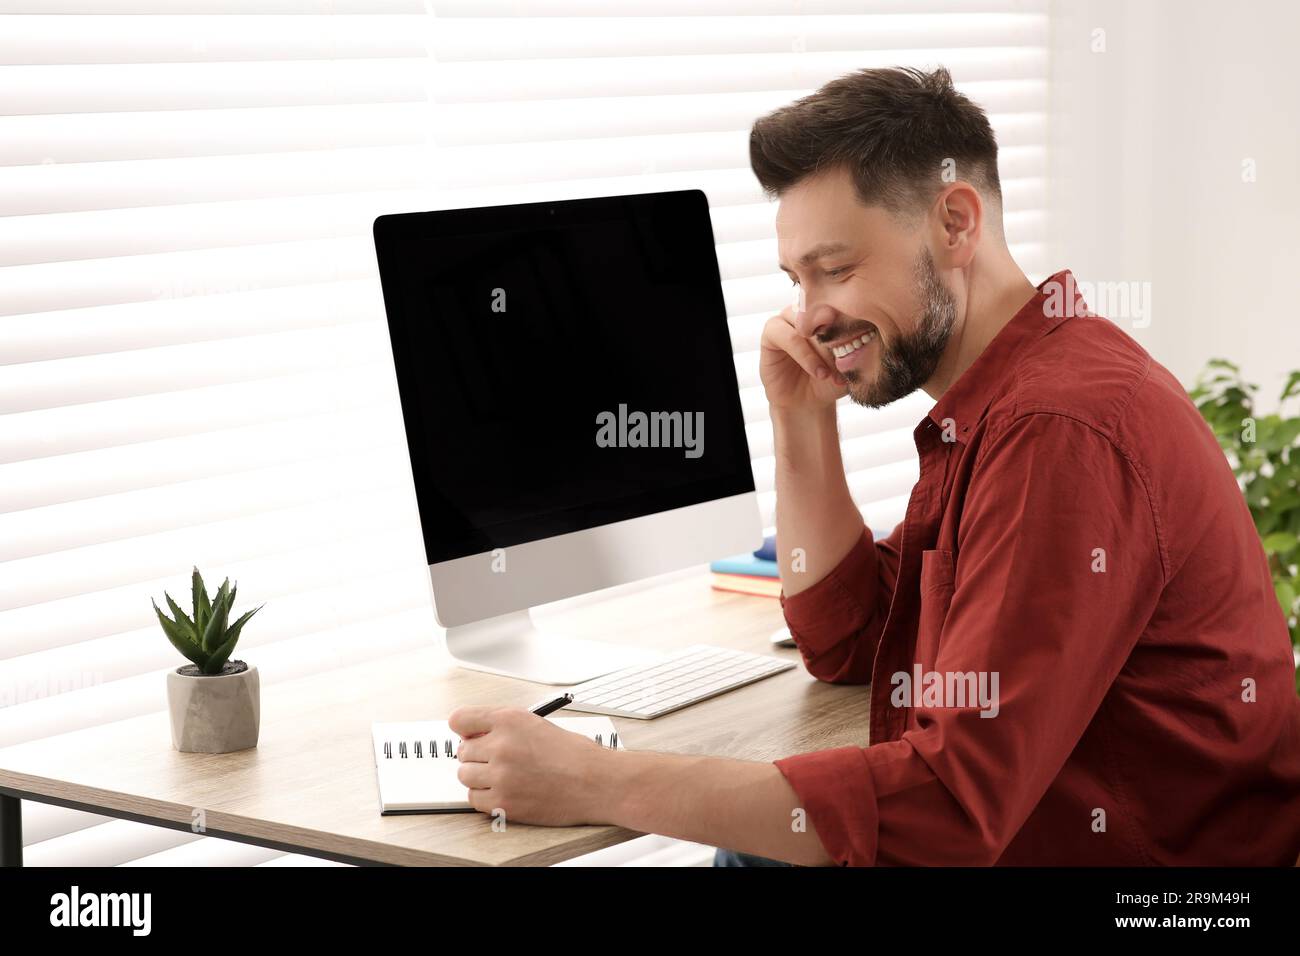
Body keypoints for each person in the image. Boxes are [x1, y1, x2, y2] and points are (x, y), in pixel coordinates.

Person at [449, 67, 1300, 866]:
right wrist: (799, 416)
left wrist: (600, 782)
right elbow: (850, 634)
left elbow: (952, 804)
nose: (811, 314)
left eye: (838, 269)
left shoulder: (1057, 430)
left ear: (957, 223)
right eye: (796, 278)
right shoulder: (1006, 397)